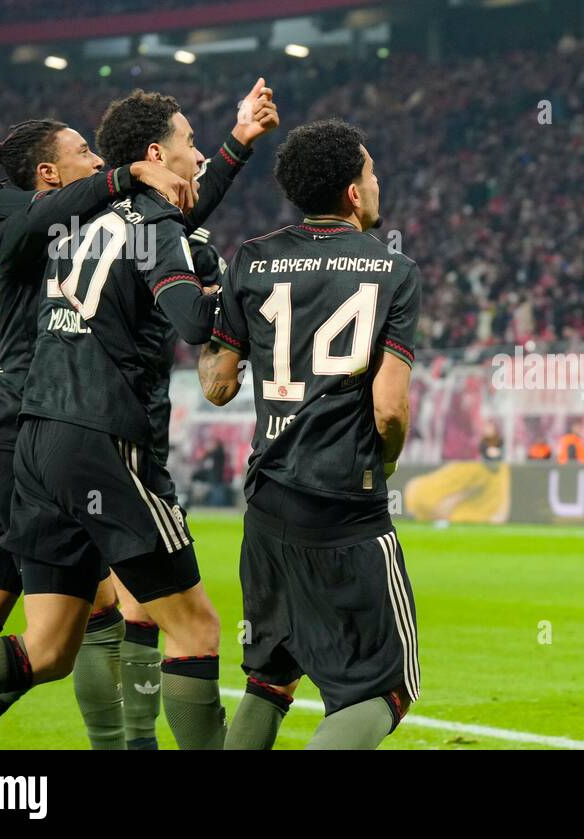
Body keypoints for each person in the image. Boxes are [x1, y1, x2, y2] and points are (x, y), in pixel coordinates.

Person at [0, 83, 279, 749]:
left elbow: (174, 207)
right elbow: (186, 302)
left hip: (37, 438)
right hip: (90, 434)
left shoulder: (79, 223)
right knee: (190, 628)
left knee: (49, 645)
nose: (192, 157)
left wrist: (236, 142)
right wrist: (231, 297)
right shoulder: (95, 221)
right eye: (188, 143)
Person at [197, 118, 421, 749]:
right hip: (344, 508)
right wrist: (390, 461)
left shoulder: (251, 258)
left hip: (267, 503)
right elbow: (390, 411)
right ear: (353, 192)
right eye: (372, 173)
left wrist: (210, 304)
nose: (378, 184)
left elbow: (216, 383)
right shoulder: (394, 271)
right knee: (385, 689)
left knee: (269, 677)